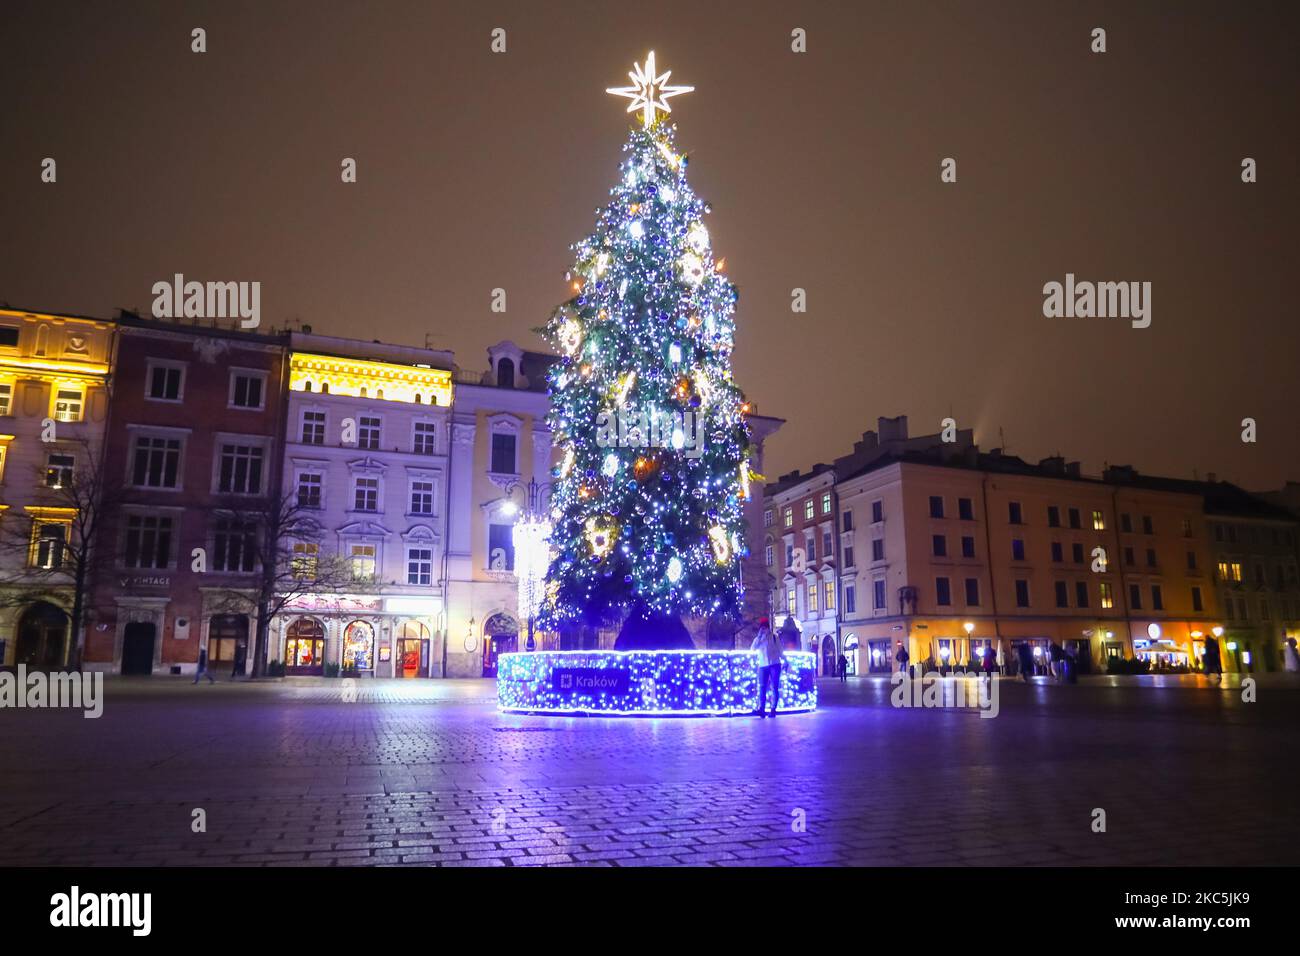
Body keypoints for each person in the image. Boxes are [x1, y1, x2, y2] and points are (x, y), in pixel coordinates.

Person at [750, 617, 784, 718]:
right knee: (762, 687)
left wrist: (785, 660)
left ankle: (773, 709)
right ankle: (762, 709)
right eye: (762, 627)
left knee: (774, 687)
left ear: (768, 627)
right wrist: (759, 637)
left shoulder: (774, 637)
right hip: (763, 665)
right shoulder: (758, 639)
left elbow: (780, 650)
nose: (764, 628)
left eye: (765, 626)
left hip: (775, 664)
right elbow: (752, 649)